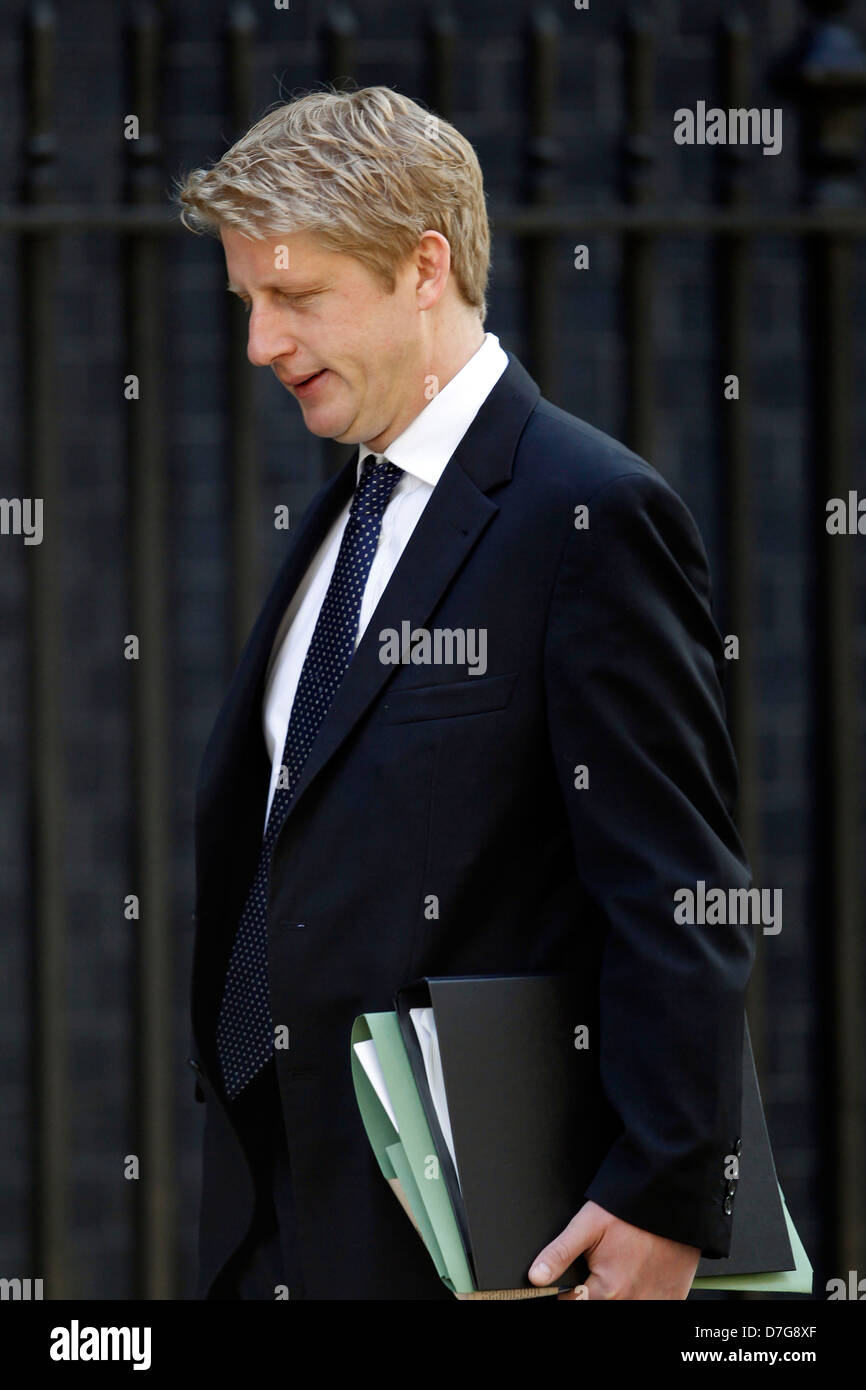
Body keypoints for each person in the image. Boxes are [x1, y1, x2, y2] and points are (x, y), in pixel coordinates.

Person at [176, 84, 755, 1301]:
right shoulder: (346, 509)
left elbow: (675, 885)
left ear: (422, 266)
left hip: (476, 1248)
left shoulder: (583, 512)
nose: (260, 345)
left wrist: (663, 1189)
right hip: (269, 1227)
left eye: (294, 298)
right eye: (247, 304)